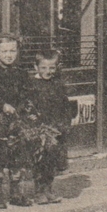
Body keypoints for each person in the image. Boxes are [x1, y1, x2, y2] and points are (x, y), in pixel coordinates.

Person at [0, 35, 32, 208]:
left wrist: (23, 107)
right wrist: (2, 105)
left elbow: (27, 94)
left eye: (12, 51)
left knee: (17, 156)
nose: (9, 55)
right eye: (4, 51)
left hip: (17, 119)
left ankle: (16, 193)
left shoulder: (21, 73)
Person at [20, 50, 76, 203]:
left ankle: (48, 190)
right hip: (39, 129)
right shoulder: (31, 85)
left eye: (52, 68)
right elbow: (27, 106)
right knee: (40, 161)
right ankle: (39, 192)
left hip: (55, 127)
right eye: (43, 67)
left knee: (52, 160)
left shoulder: (57, 84)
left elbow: (65, 104)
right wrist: (33, 123)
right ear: (36, 67)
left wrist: (64, 123)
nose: (48, 71)